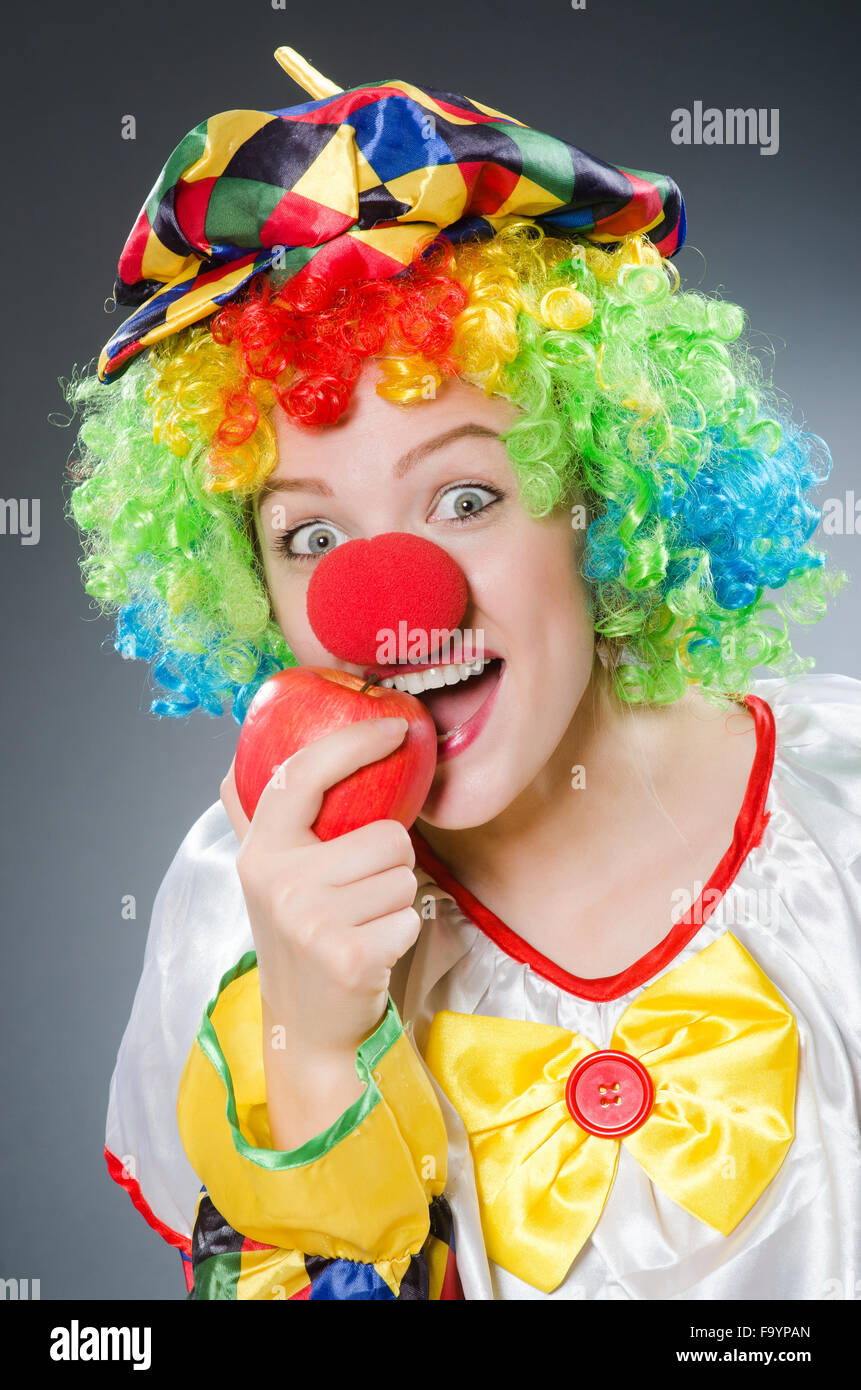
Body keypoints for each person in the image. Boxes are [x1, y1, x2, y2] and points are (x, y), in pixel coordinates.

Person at [66, 47, 861, 1300]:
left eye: (468, 492)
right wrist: (316, 1047)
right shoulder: (253, 910)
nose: (388, 603)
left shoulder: (843, 818)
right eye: (311, 537)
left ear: (604, 490)